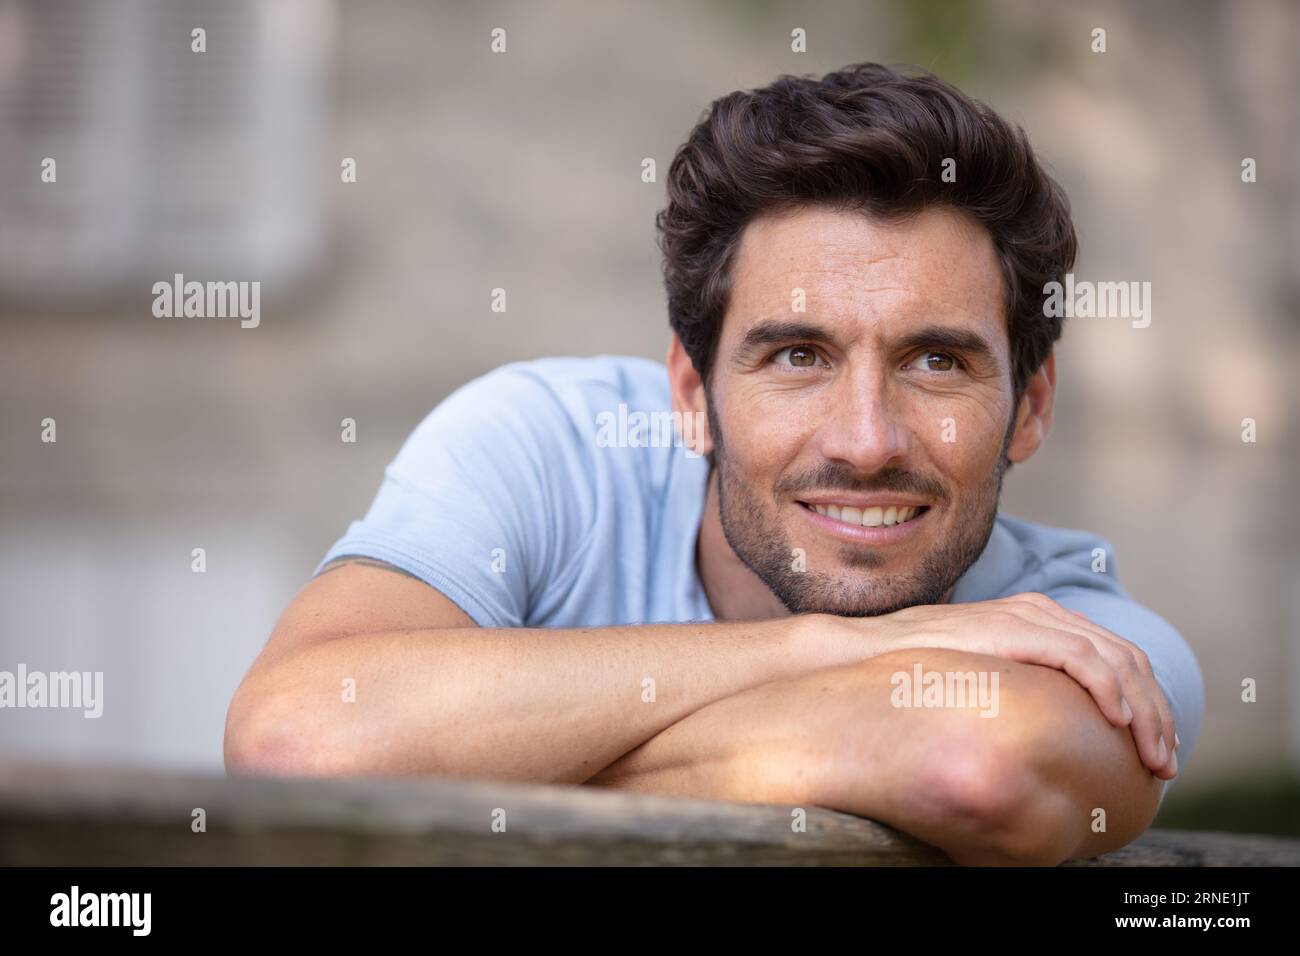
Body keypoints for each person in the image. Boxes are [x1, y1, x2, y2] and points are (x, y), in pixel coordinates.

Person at [225, 63, 1204, 866]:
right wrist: (823, 650)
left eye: (935, 361)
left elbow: (973, 765)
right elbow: (295, 737)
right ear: (690, 396)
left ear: (1029, 406)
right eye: (796, 356)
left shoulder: (1082, 630)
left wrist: (486, 773)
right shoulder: (545, 443)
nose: (865, 440)